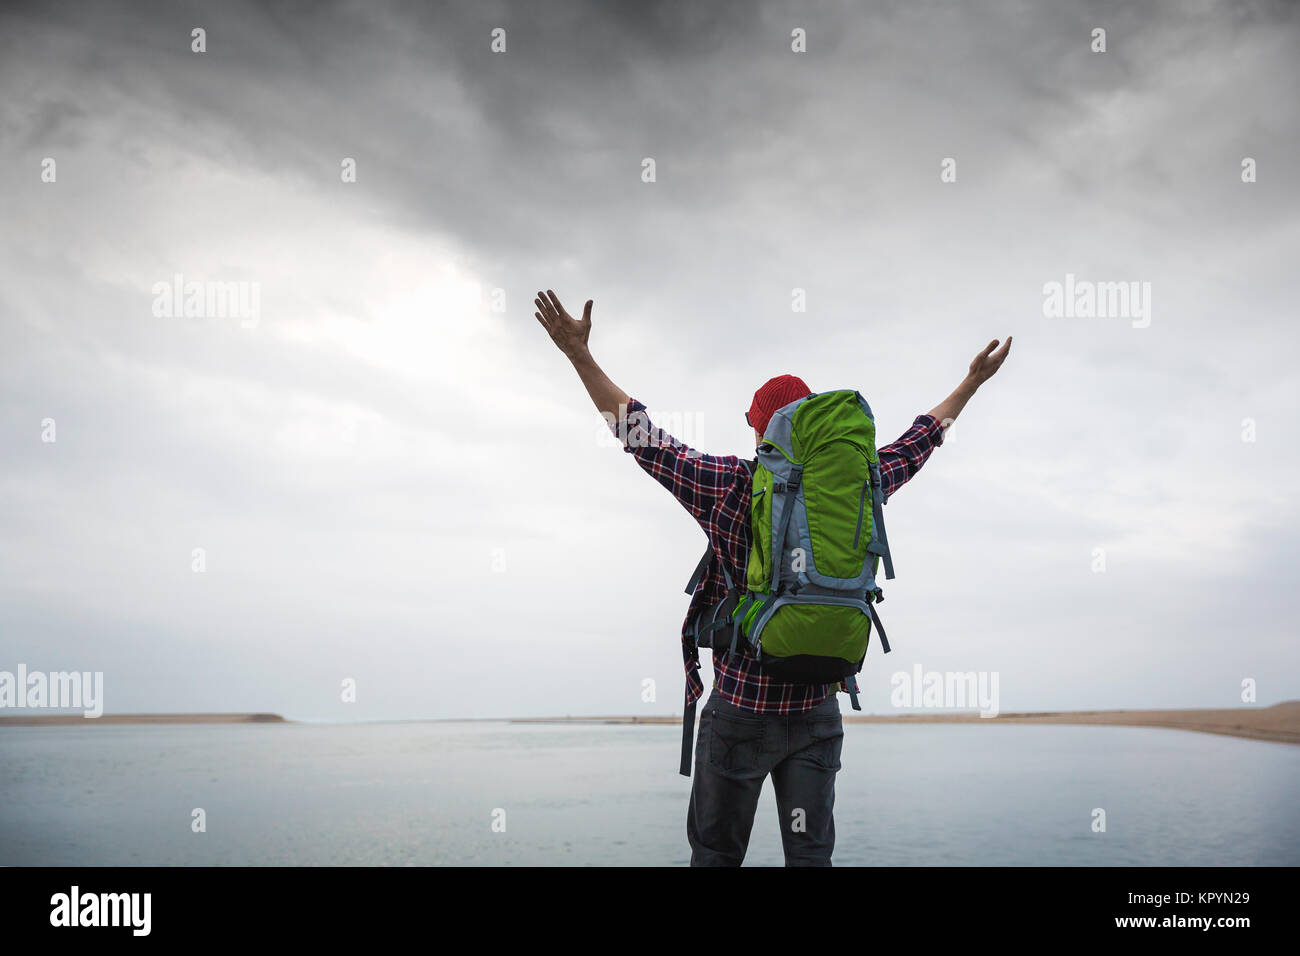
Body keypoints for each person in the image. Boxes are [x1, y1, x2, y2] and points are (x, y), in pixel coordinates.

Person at [534, 288, 1012, 866]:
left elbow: (643, 437)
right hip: (816, 713)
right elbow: (920, 440)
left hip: (740, 708)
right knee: (810, 861)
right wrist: (972, 383)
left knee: (717, 856)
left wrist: (578, 355)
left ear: (761, 431)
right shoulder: (860, 483)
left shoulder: (730, 484)